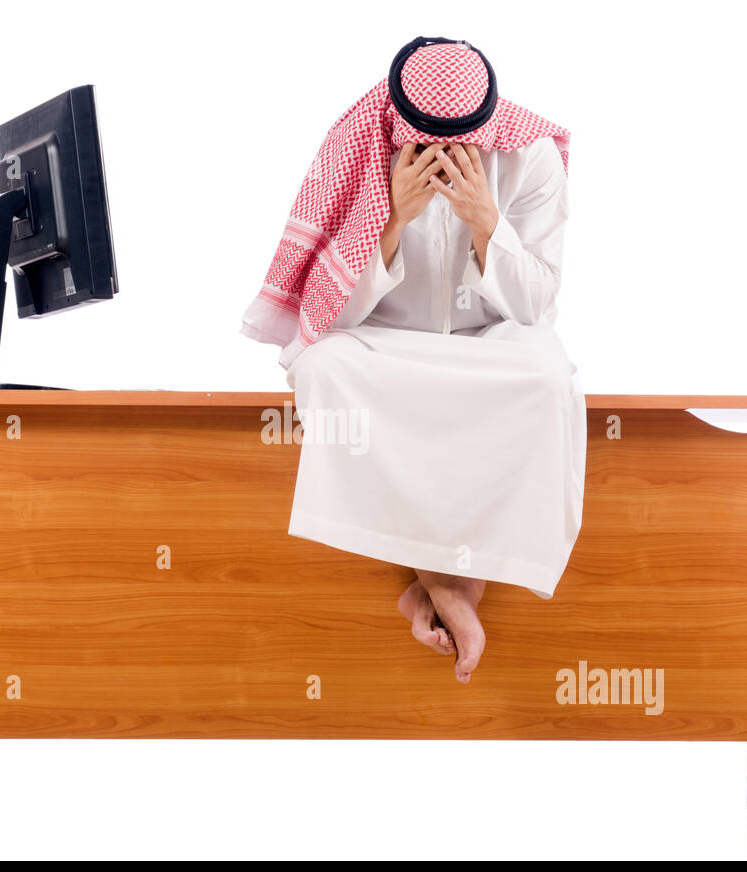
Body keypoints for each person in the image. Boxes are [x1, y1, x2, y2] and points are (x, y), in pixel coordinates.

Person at [241, 36, 586, 684]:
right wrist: (392, 221)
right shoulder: (364, 148)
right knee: (322, 368)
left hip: (489, 350)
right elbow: (327, 320)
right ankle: (449, 586)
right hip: (386, 354)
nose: (445, 157)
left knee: (547, 376)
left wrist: (488, 225)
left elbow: (537, 306)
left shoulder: (531, 157)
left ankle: (443, 584)